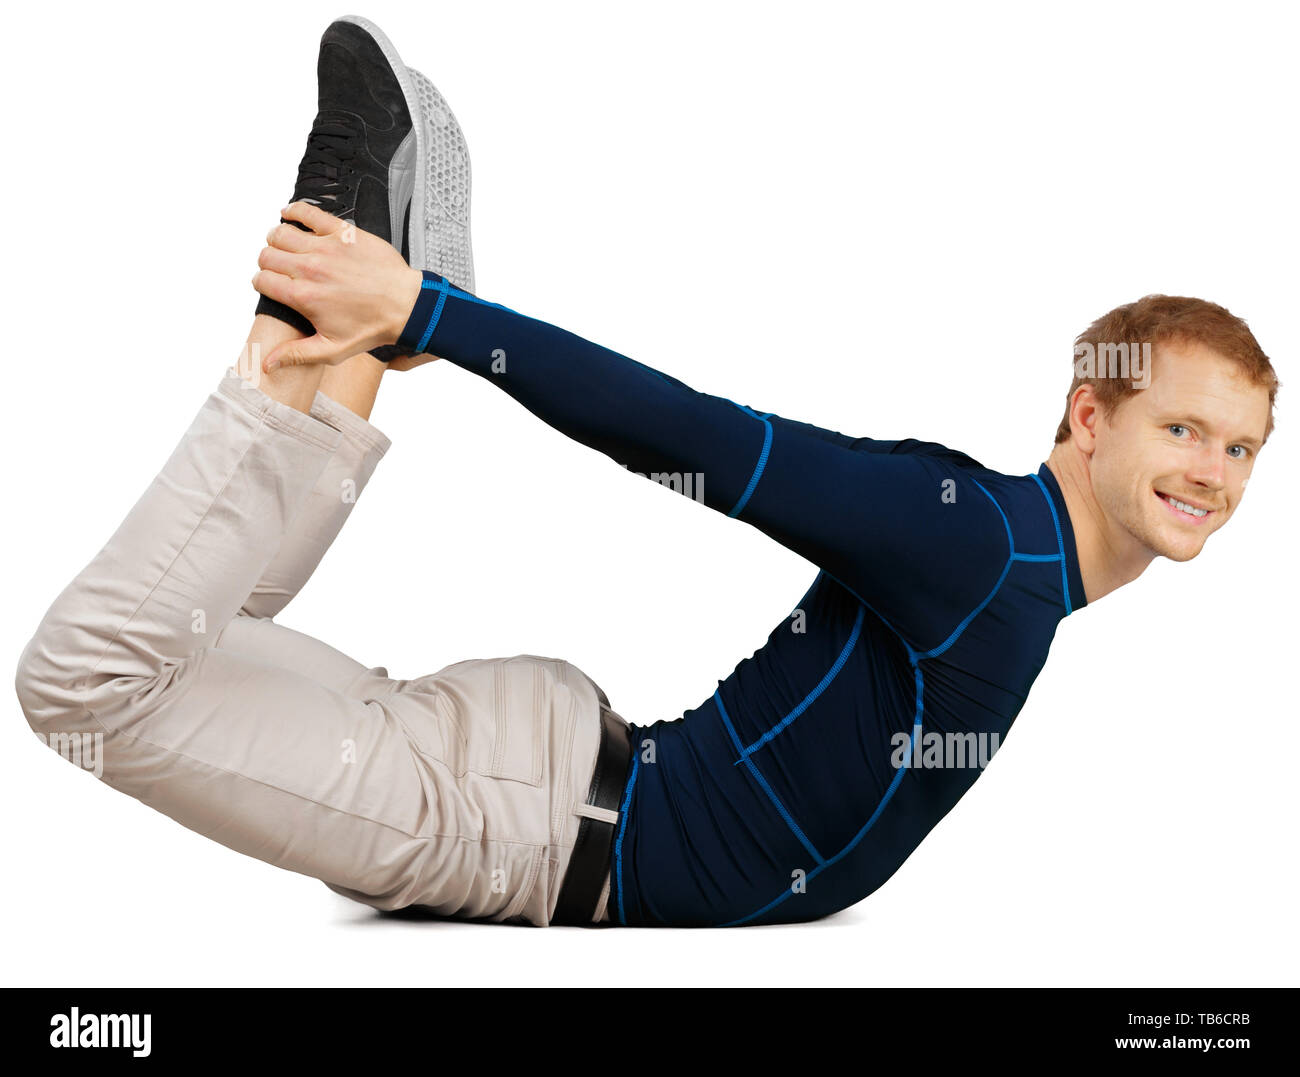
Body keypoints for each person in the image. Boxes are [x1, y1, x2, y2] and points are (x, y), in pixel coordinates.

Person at [15, 17, 1279, 929]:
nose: (1213, 472)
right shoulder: (985, 545)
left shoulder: (1020, 568)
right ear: (1089, 418)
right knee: (92, 685)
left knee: (189, 618)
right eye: (1181, 430)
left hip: (555, 774)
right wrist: (445, 312)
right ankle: (355, 266)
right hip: (518, 819)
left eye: (1240, 447)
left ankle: (355, 266)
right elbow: (706, 443)